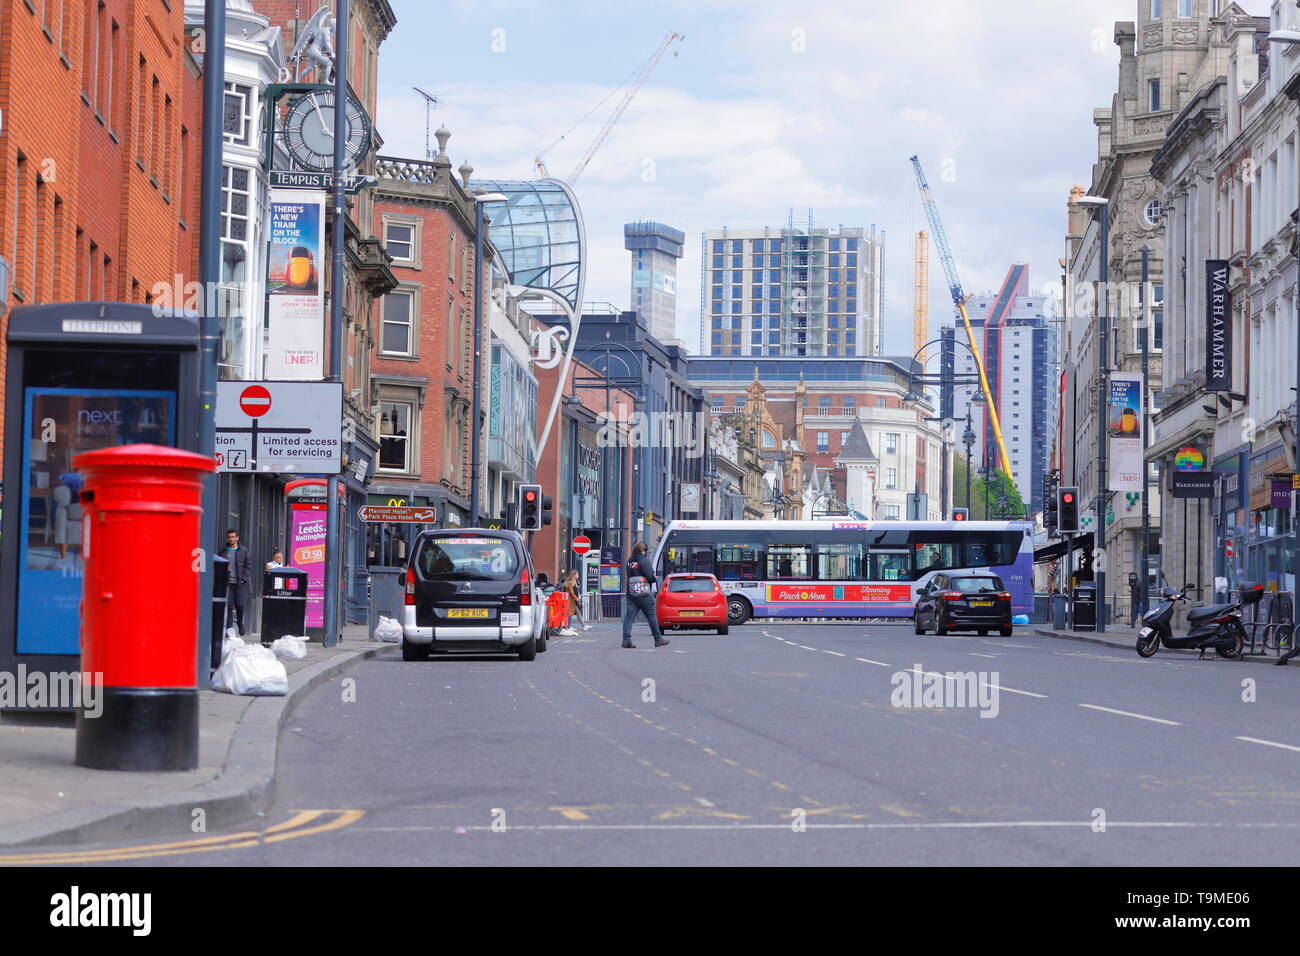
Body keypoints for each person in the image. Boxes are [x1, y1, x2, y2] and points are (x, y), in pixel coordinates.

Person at [622, 541, 668, 649]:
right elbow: (650, 576)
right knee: (651, 616)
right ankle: (658, 639)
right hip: (643, 594)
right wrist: (654, 578)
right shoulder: (643, 560)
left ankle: (626, 640)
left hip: (631, 593)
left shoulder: (629, 561)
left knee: (629, 617)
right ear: (643, 550)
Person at [224, 529, 253, 636]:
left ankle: (240, 624)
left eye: (233, 537)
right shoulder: (223, 551)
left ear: (237, 538)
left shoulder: (243, 551)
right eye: (229, 537)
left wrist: (244, 578)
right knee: (229, 606)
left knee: (240, 605)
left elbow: (248, 565)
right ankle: (229, 629)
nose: (231, 539)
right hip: (228, 584)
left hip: (240, 583)